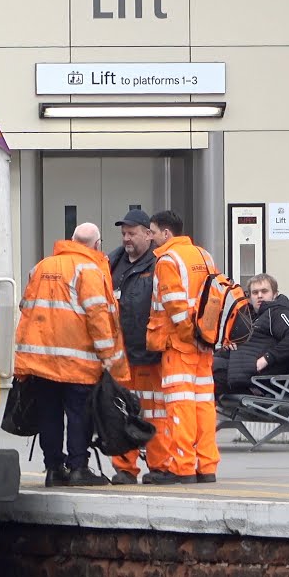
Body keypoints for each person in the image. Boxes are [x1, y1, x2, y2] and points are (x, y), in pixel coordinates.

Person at [15, 223, 130, 487]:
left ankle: (54, 469)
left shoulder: (42, 266)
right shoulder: (89, 270)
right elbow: (98, 318)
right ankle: (79, 468)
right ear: (97, 244)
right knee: (80, 415)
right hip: (77, 360)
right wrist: (110, 360)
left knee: (50, 415)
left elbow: (26, 307)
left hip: (41, 360)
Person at [145, 210, 218, 485]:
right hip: (204, 344)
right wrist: (203, 336)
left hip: (179, 345)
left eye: (152, 232)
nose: (150, 238)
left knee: (180, 407)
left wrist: (188, 336)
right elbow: (214, 298)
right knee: (204, 405)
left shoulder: (167, 260)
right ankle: (207, 466)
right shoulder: (204, 256)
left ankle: (183, 467)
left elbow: (175, 307)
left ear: (166, 234)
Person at [105, 208, 169, 485]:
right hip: (120, 354)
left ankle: (160, 466)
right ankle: (124, 468)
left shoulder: (158, 264)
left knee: (154, 412)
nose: (127, 238)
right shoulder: (112, 263)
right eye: (123, 234)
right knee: (121, 412)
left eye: (132, 233)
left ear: (148, 234)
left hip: (149, 354)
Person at [213, 273, 289, 397]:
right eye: (255, 293)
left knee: (202, 374)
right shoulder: (253, 316)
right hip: (239, 369)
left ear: (275, 294)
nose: (260, 296)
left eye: (264, 291)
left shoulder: (277, 312)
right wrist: (230, 347)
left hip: (256, 379)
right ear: (250, 297)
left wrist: (266, 359)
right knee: (202, 364)